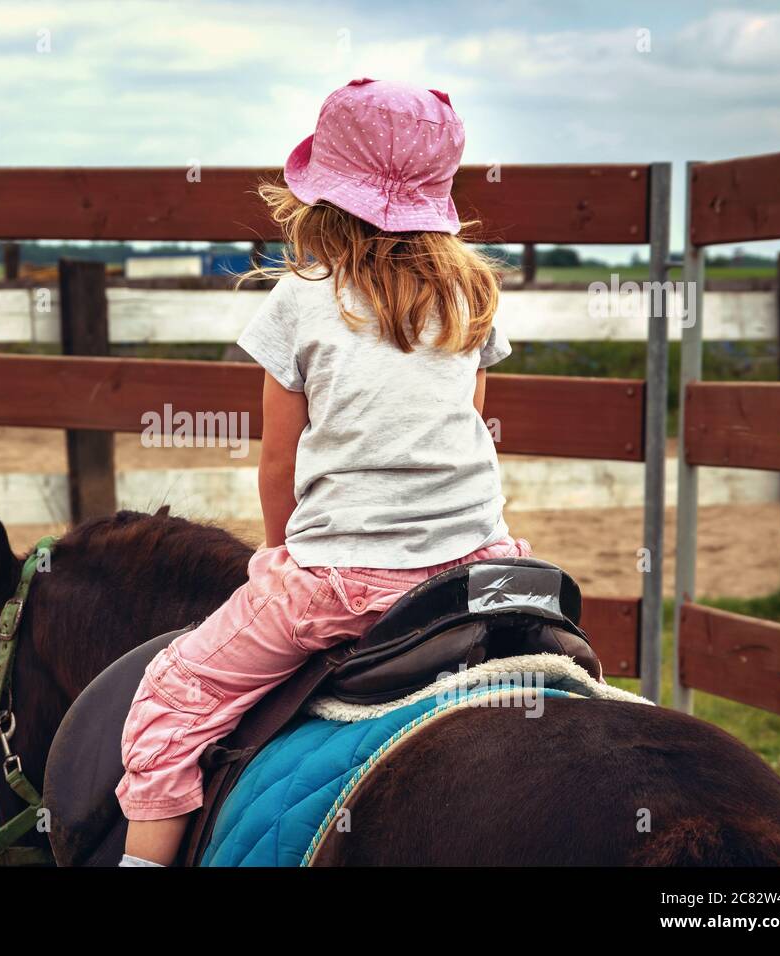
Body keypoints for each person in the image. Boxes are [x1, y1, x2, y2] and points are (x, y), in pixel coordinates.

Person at [116, 79, 528, 867]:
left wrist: (279, 553)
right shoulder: (474, 293)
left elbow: (281, 459)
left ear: (324, 202)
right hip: (484, 567)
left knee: (173, 698)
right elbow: (472, 423)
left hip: (341, 578)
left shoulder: (301, 302)